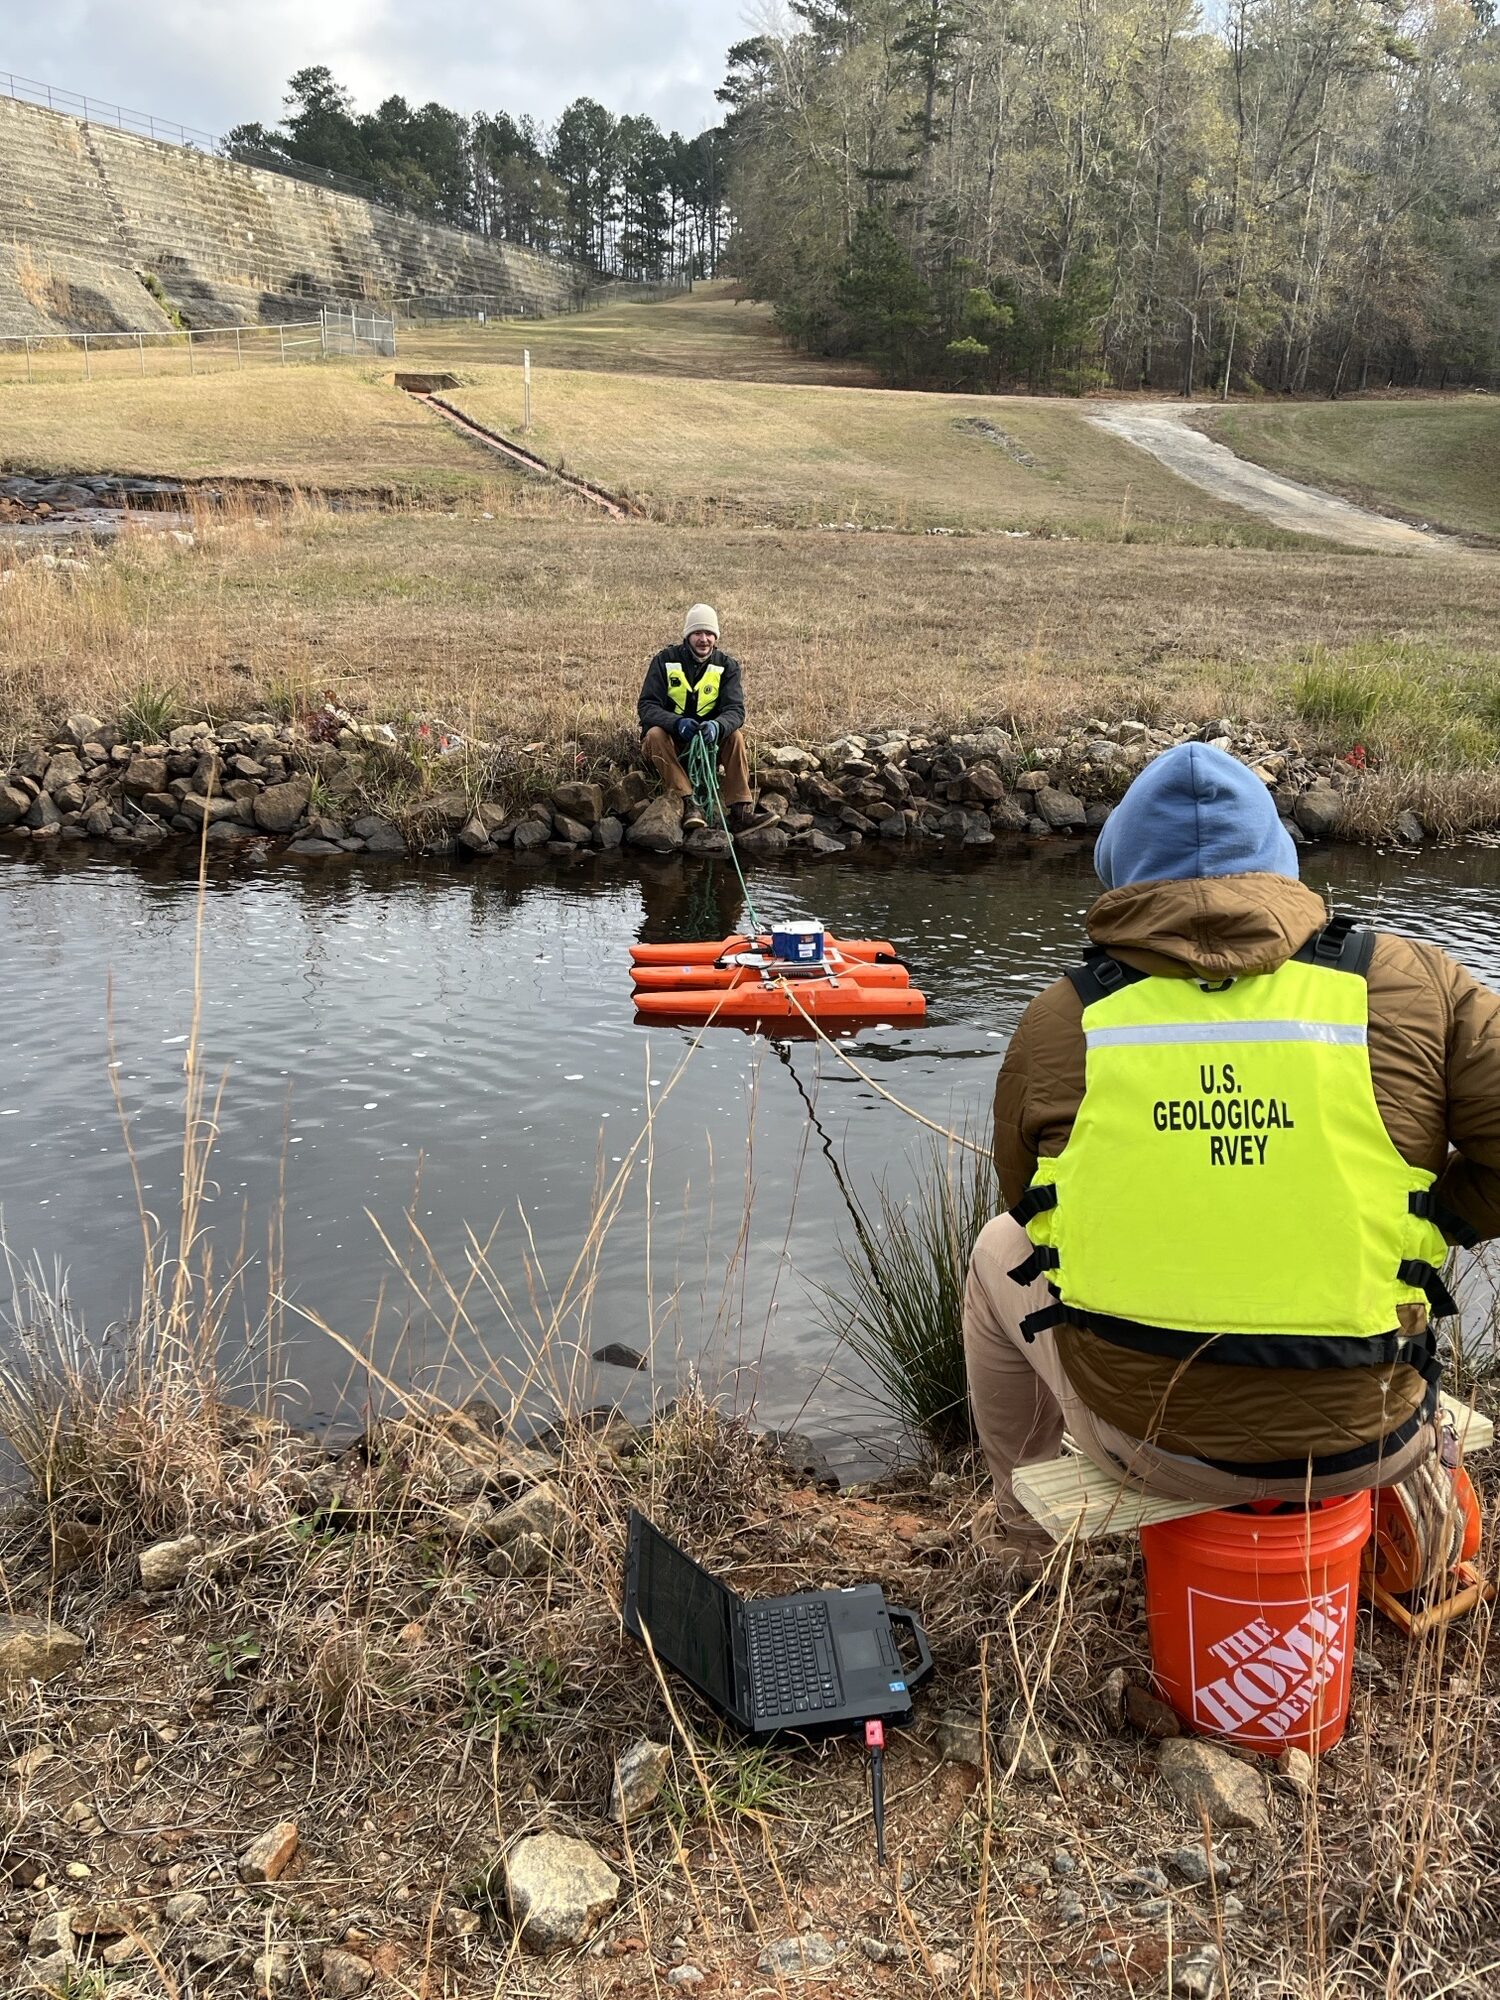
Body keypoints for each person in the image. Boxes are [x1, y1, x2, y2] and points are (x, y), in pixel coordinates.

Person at [964, 742, 1500, 1561]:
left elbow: (1029, 1209)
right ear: (1281, 866)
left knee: (993, 1253)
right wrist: (1435, 1217)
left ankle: (1022, 1540)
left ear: (1122, 874)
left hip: (1150, 1442)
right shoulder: (1413, 978)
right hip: (1374, 1426)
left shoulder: (1057, 1020)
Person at [638, 604, 761, 836]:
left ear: (716, 636)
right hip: (669, 744)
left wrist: (718, 726)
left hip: (708, 744)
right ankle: (689, 801)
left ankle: (740, 811)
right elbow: (647, 707)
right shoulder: (664, 660)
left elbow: (735, 711)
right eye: (697, 633)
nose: (703, 639)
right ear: (687, 636)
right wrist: (676, 723)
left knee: (735, 736)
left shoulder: (728, 666)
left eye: (709, 633)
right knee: (654, 734)